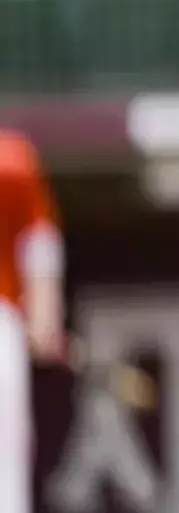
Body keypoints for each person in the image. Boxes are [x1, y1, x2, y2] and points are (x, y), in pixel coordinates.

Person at [0, 130, 65, 513]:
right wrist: (44, 325)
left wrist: (43, 323)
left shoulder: (11, 162)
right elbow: (41, 248)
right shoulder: (12, 158)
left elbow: (38, 242)